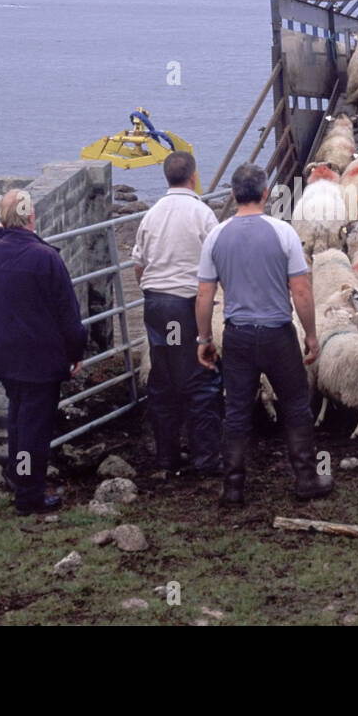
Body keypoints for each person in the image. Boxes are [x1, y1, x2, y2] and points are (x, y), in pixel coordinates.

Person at [194, 163, 333, 507]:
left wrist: (203, 340)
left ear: (232, 194)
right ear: (266, 193)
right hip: (277, 334)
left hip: (237, 335)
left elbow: (204, 296)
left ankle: (234, 487)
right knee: (296, 404)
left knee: (237, 409)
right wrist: (312, 336)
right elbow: (300, 290)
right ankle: (306, 478)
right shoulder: (282, 233)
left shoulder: (216, 235)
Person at [0, 188, 86, 515]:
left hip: (6, 355)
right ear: (31, 217)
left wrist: (6, 219)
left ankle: (19, 477)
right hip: (39, 359)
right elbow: (68, 314)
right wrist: (76, 350)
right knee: (33, 431)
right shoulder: (46, 258)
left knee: (18, 421)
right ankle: (28, 497)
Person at [131, 151, 223, 477]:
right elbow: (216, 264)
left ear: (167, 177)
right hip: (183, 308)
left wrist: (153, 293)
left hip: (156, 305)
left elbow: (138, 266)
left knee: (163, 379)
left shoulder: (151, 215)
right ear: (193, 176)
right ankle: (206, 459)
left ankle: (167, 457)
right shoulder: (203, 214)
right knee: (199, 379)